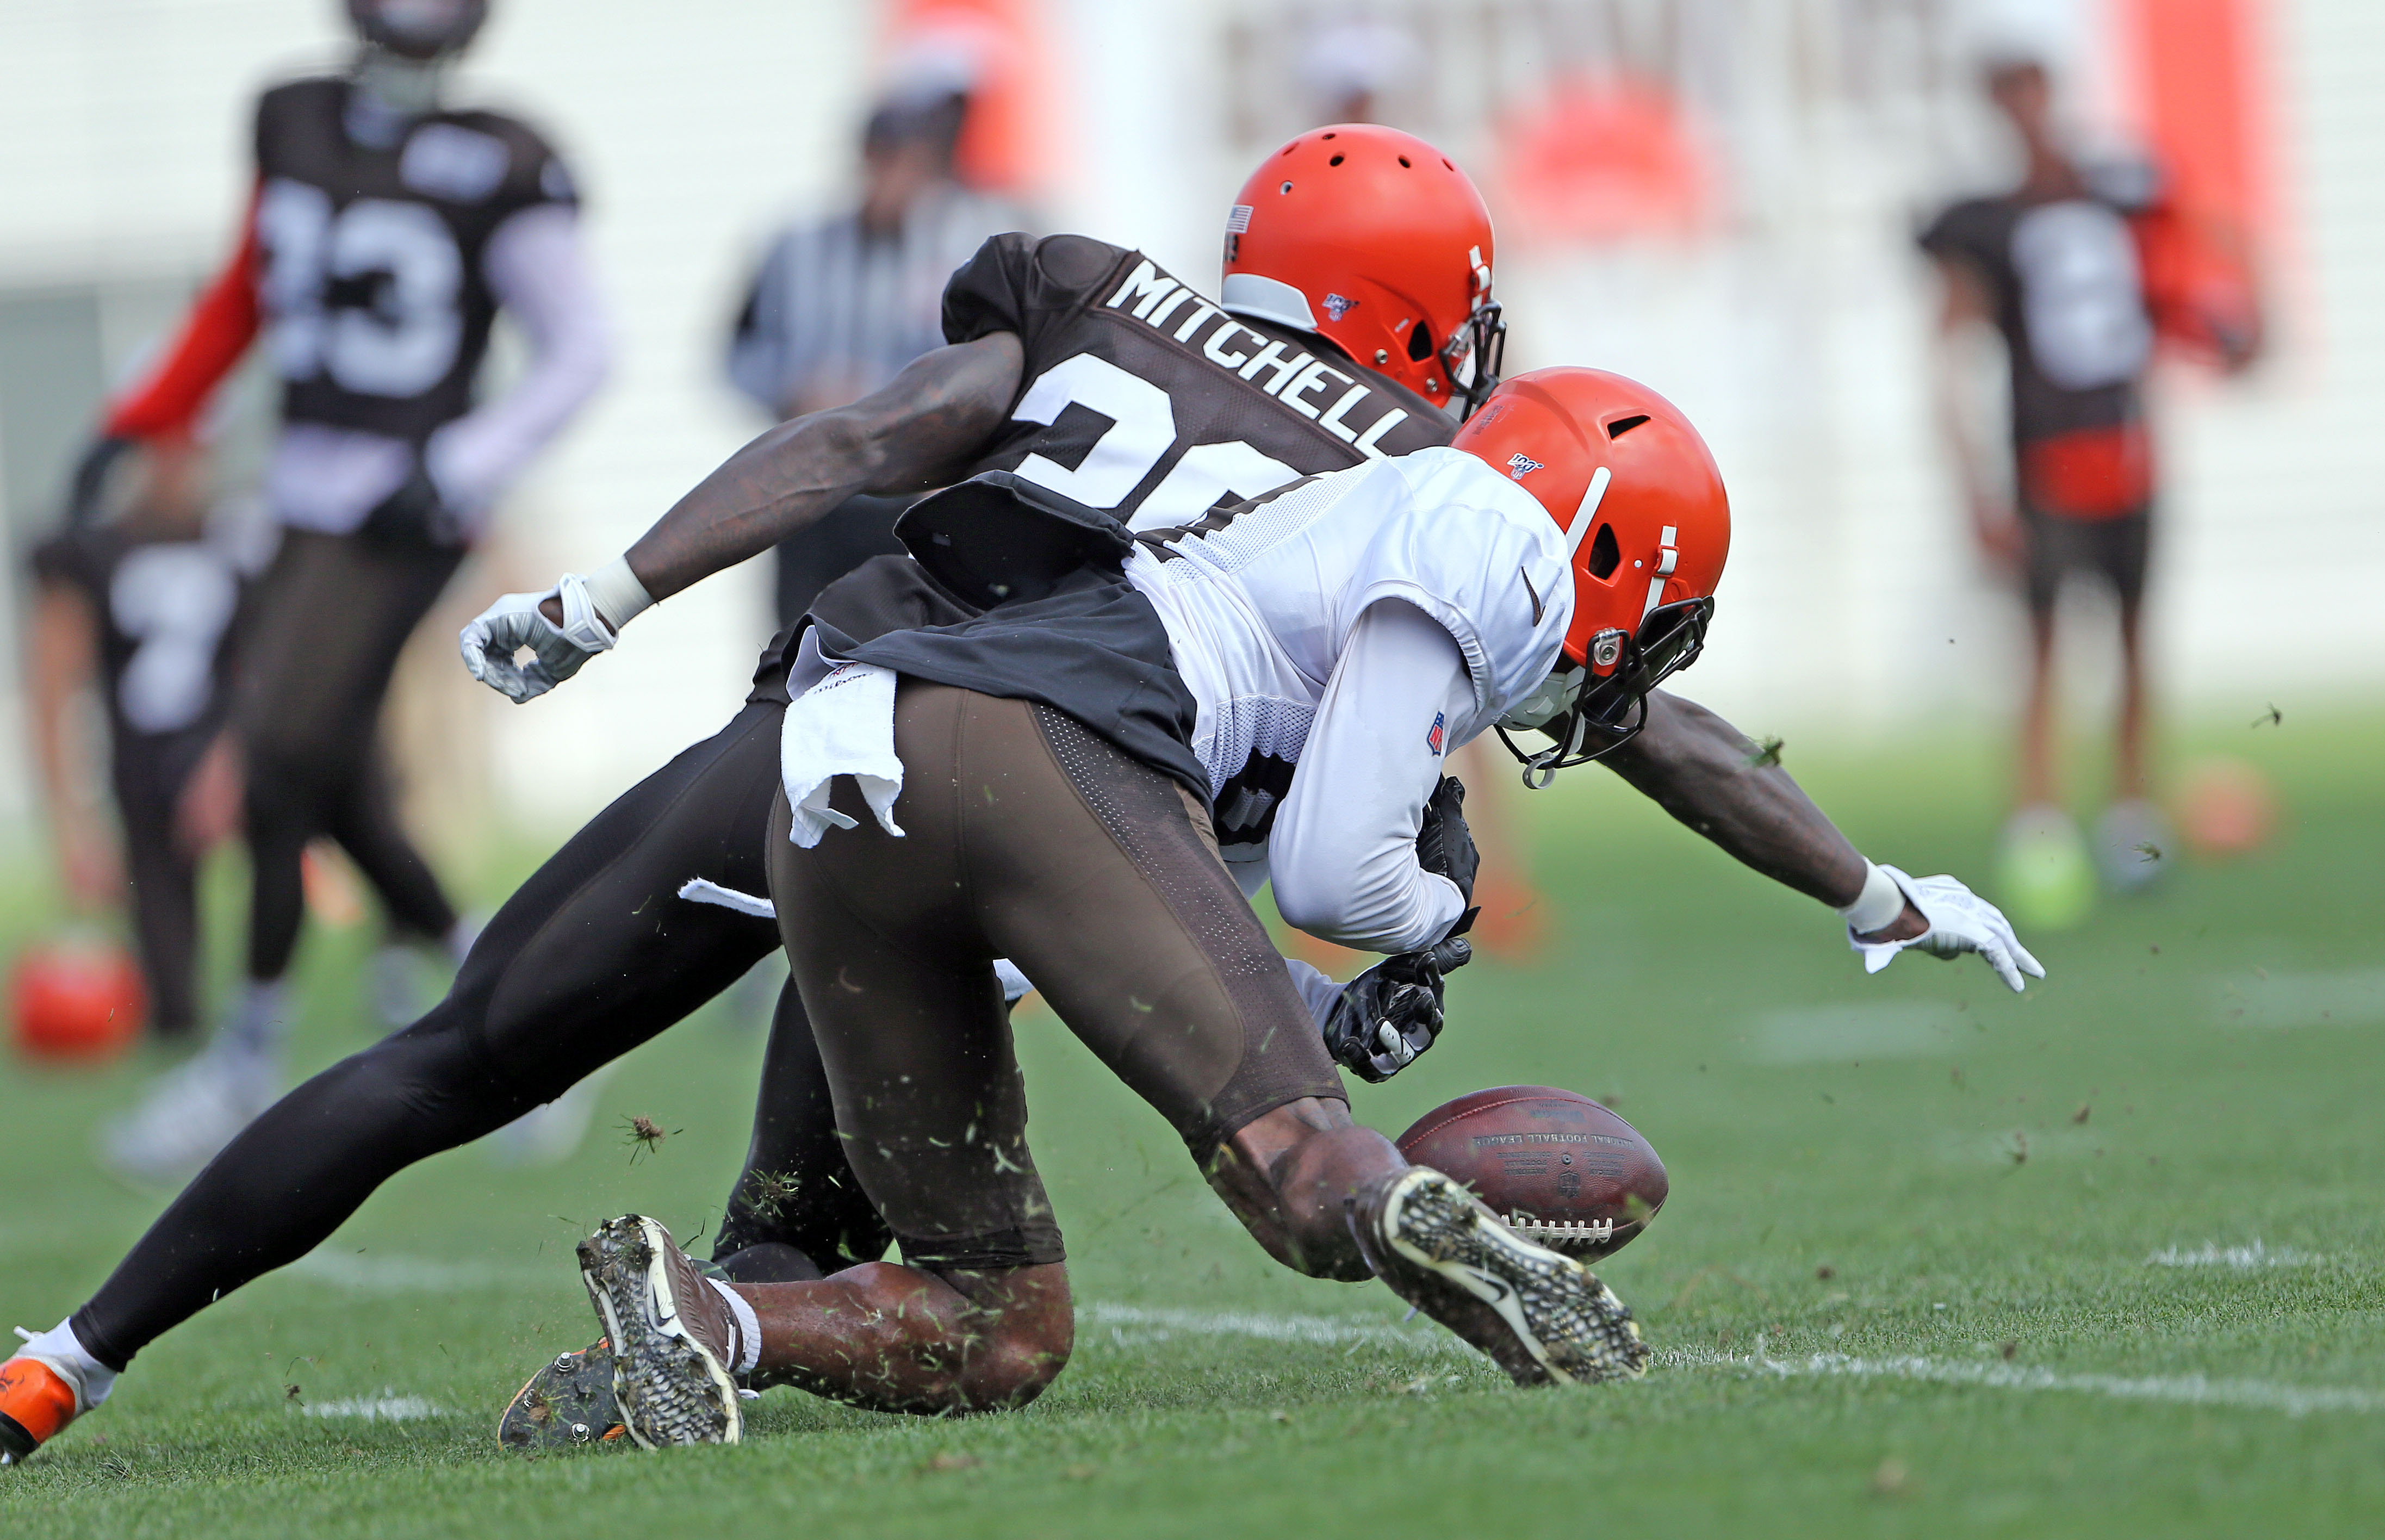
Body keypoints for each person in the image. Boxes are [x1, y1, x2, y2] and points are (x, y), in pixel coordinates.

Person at [0, 129, 2030, 1463]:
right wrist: (1866, 887)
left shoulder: (1105, 299)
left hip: (834, 725)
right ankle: (1333, 1199)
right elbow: (1642, 723)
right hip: (1065, 779)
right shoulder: (1427, 479)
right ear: (1417, 310)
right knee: (1213, 1150)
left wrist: (604, 596)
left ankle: (64, 1359)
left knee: (463, 1056)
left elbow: (859, 440)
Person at [557, 367, 2040, 1443]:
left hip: (854, 784)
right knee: (1302, 1170)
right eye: (1645, 623)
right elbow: (1334, 869)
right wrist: (1430, 920)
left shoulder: (1328, 558)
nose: (1626, 669)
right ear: (1597, 546)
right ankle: (1397, 1209)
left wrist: (1326, 1005)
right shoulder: (1490, 539)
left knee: (998, 1323)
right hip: (1038, 742)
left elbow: (1132, 920)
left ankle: (706, 1311)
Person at [82, 0, 611, 1179]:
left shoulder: (504, 155)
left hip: (400, 505)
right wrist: (147, 416)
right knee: (330, 783)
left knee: (276, 755)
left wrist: (460, 464)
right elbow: (247, 294)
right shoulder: (296, 114)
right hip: (300, 496)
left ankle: (247, 1058)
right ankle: (537, 1017)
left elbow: (585, 347)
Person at [1921, 55, 2258, 927]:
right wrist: (1972, 488)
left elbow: (2208, 256)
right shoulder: (1986, 222)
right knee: (2041, 647)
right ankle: (2038, 828)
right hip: (2042, 457)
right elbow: (1948, 349)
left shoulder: (2122, 195)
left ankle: (2131, 821)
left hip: (2128, 450)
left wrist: (2241, 312)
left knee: (2136, 638)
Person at [726, 82, 1024, 626]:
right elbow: (737, 355)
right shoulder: (797, 248)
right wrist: (793, 391)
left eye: (911, 164)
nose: (895, 179)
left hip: (918, 499)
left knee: (913, 648)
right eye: (885, 160)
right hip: (813, 496)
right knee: (799, 643)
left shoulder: (968, 250)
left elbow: (1004, 369)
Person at [24, 434, 252, 1042]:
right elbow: (51, 691)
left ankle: (393, 958)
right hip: (143, 779)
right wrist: (72, 829)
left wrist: (230, 762)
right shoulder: (89, 551)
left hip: (244, 751)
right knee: (171, 1007)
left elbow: (282, 671)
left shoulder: (246, 538)